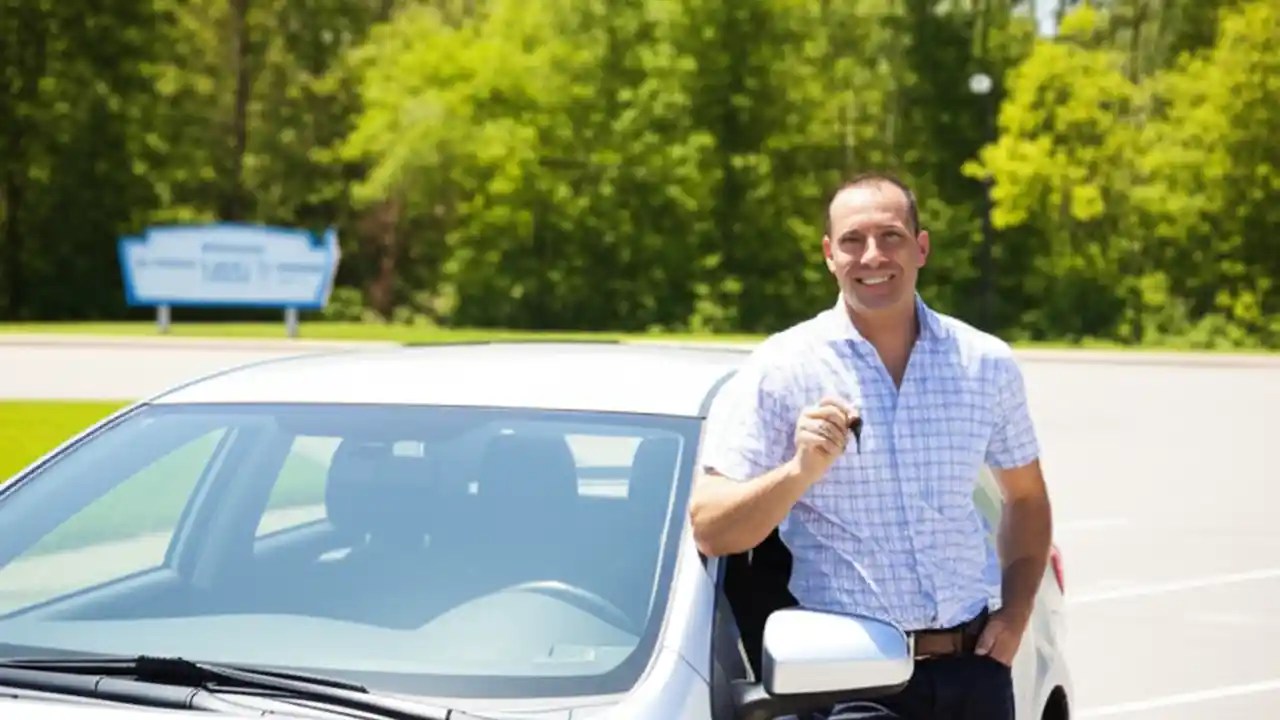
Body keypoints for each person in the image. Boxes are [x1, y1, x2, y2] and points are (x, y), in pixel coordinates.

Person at [689, 173, 1053, 719]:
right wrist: (799, 472)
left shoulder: (985, 363)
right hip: (848, 679)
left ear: (921, 247)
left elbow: (1026, 498)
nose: (873, 256)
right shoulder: (783, 368)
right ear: (829, 254)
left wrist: (1016, 613)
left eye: (891, 237)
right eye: (853, 240)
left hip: (974, 675)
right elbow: (712, 528)